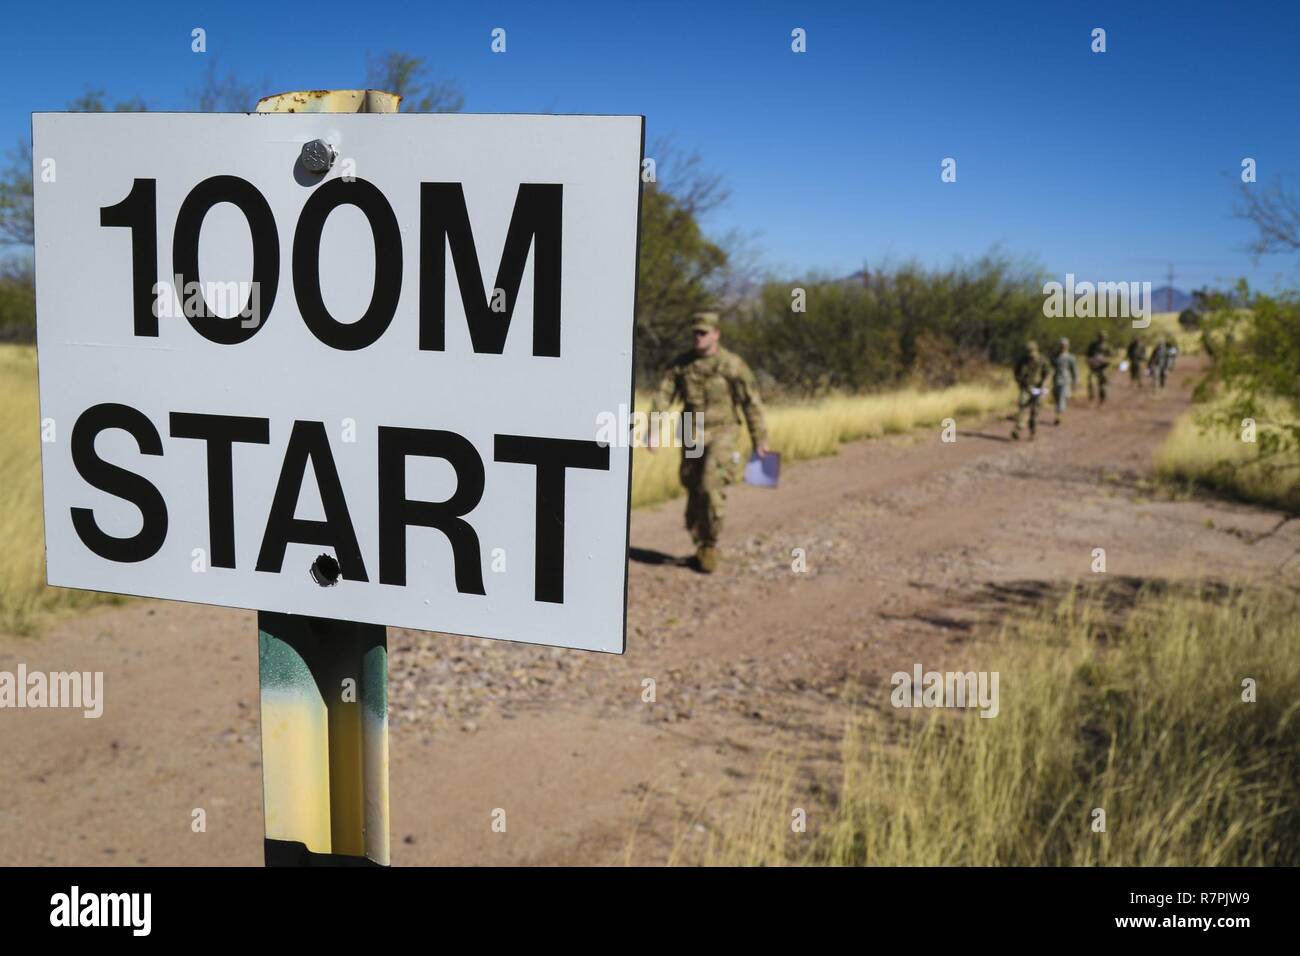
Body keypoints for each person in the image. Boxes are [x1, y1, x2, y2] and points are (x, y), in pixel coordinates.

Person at [649, 312, 769, 573]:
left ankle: (710, 544)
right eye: (695, 332)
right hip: (691, 432)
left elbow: (751, 402)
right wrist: (654, 430)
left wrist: (759, 438)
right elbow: (662, 397)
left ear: (716, 334)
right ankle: (699, 541)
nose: (698, 337)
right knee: (693, 488)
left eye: (703, 332)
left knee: (710, 486)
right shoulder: (681, 365)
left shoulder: (732, 365)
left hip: (722, 432)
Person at [1012, 340, 1050, 441]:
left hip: (1038, 388)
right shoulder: (1023, 360)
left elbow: (1047, 374)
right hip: (1026, 387)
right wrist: (1019, 381)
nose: (1030, 354)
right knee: (1022, 406)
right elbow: (1016, 372)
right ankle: (1018, 428)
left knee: (1035, 411)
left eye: (1032, 351)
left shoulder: (1043, 360)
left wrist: (1044, 386)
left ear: (1036, 350)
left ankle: (1033, 432)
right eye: (1028, 352)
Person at [1050, 337, 1078, 425]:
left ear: (1067, 346)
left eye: (1064, 345)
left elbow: (1074, 370)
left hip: (1065, 380)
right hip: (1056, 379)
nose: (1063, 347)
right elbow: (1050, 365)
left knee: (1062, 397)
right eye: (1061, 345)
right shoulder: (1055, 357)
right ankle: (1059, 411)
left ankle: (1058, 416)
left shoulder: (1070, 357)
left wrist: (1075, 382)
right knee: (1056, 397)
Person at [1085, 330, 1114, 404]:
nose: (1102, 338)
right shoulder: (1092, 345)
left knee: (1102, 384)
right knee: (1090, 381)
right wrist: (1090, 361)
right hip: (1093, 367)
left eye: (1103, 337)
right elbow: (1088, 356)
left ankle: (1102, 399)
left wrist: (1105, 361)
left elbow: (1111, 357)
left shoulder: (1107, 347)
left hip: (1103, 368)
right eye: (1100, 336)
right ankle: (1091, 396)